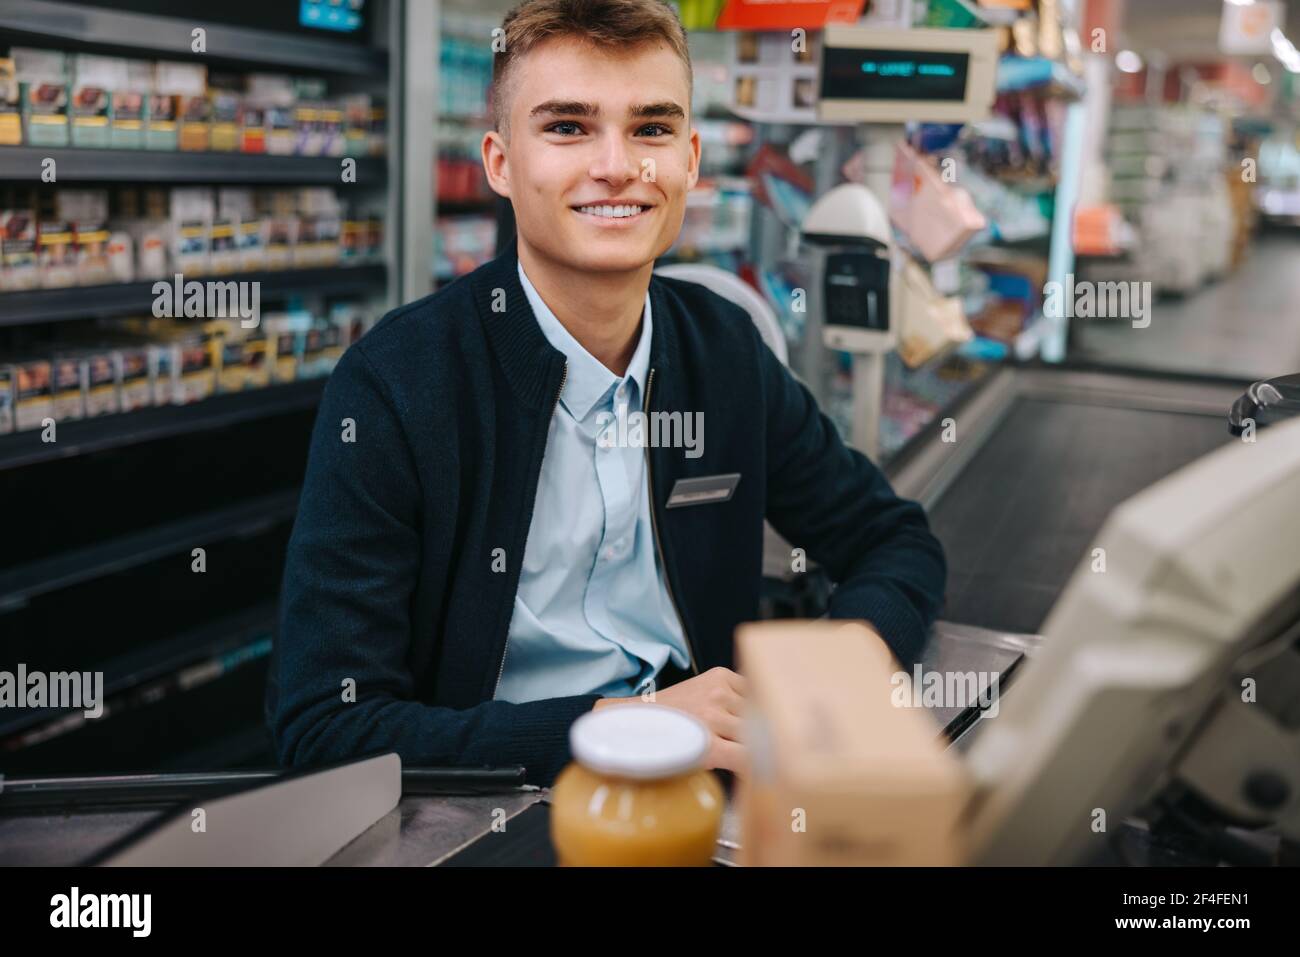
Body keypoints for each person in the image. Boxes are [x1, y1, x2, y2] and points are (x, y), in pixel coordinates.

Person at [267, 0, 946, 786]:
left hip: (711, 796)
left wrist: (831, 671)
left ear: (691, 159)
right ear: (499, 162)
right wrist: (619, 728)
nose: (618, 166)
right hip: (503, 807)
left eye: (651, 129)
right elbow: (325, 724)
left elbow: (895, 540)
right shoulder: (396, 384)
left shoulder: (726, 353)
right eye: (567, 127)